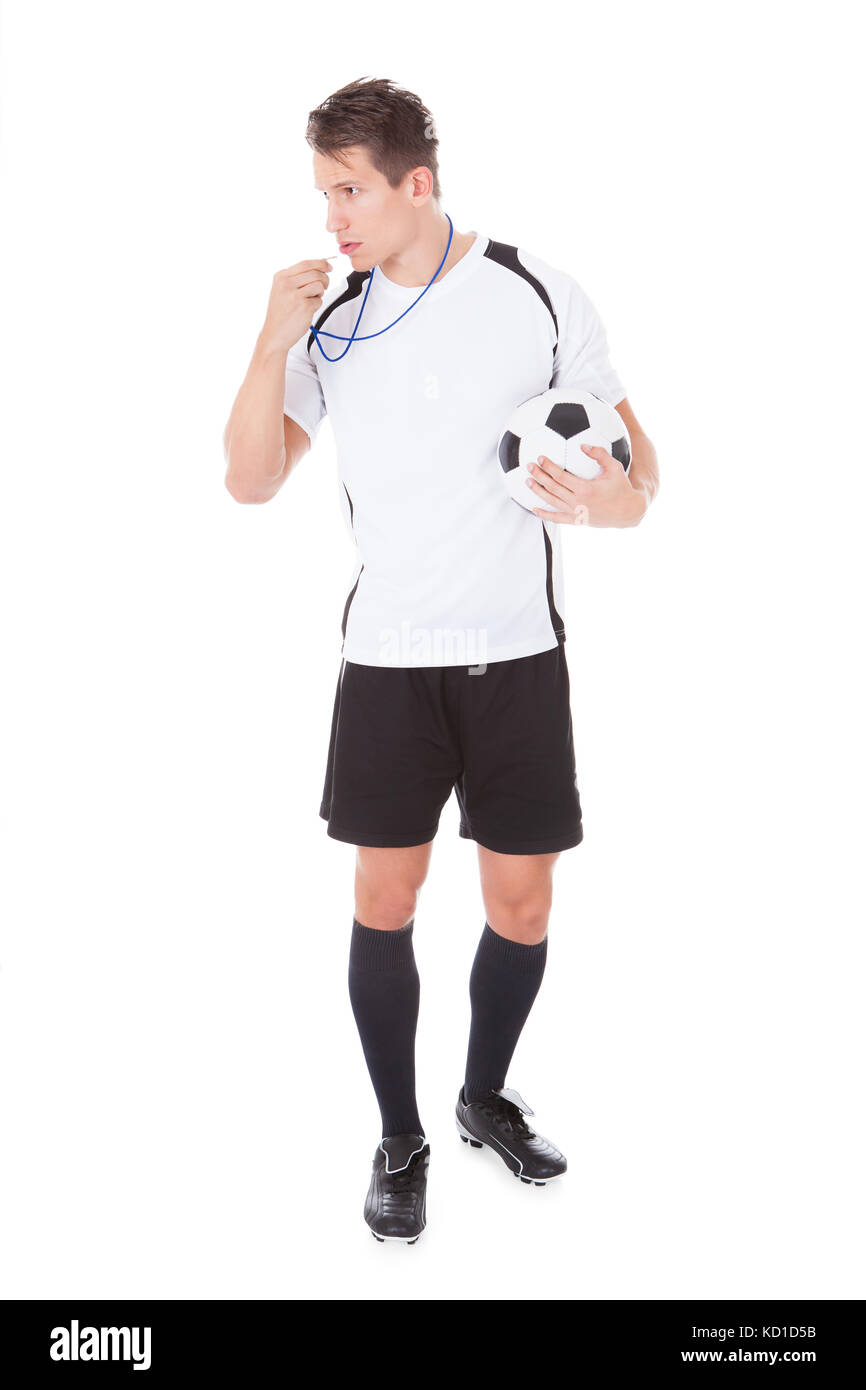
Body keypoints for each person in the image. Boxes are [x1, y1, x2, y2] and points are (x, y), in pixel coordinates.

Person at [222, 76, 659, 1245]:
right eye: (322, 193)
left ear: (418, 183)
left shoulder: (535, 291)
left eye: (350, 190)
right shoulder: (334, 317)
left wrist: (603, 503)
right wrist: (269, 342)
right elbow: (251, 478)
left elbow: (640, 485)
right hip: (387, 664)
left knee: (519, 901)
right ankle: (398, 1134)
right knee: (386, 895)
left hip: (517, 654)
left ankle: (481, 1097)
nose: (333, 217)